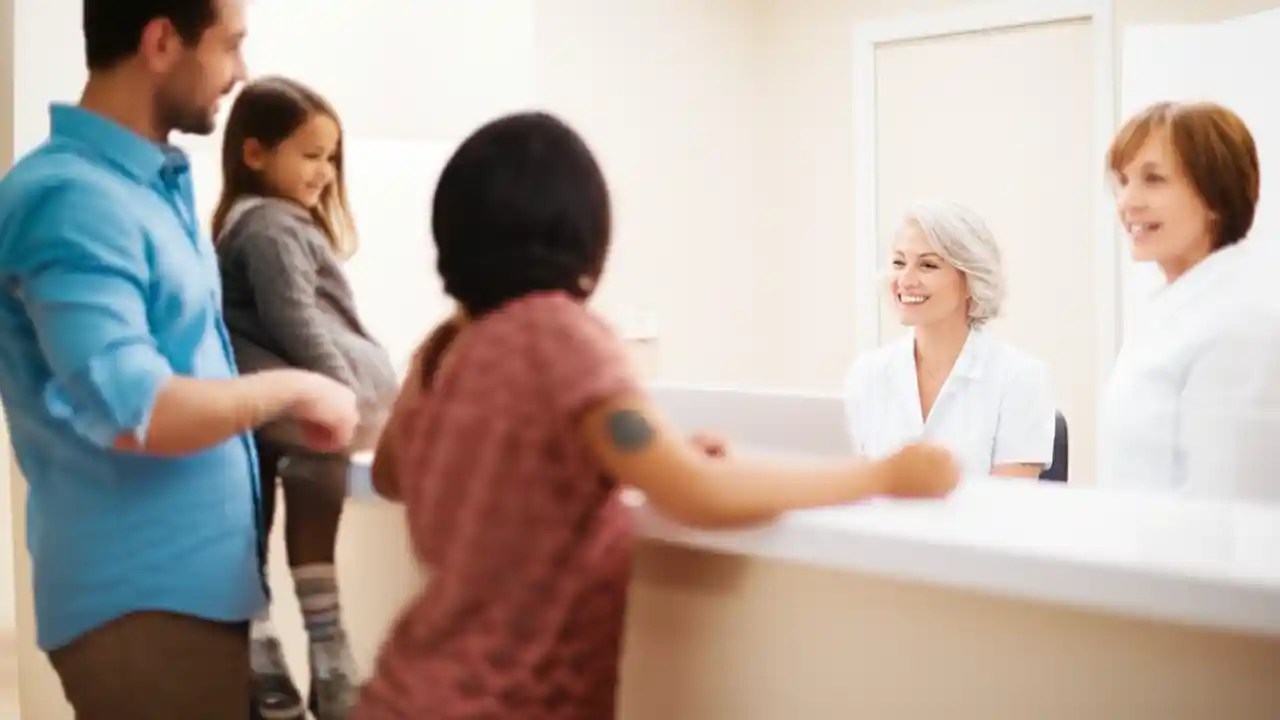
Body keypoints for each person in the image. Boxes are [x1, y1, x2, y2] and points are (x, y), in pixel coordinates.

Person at [350, 112, 960, 720]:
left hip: (402, 693)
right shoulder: (560, 336)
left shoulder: (444, 347)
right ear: (583, 232)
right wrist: (885, 476)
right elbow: (698, 495)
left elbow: (395, 474)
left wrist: (637, 456)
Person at [0, 2, 359, 717]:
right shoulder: (75, 199)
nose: (241, 74)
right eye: (230, 48)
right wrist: (294, 389)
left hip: (184, 597)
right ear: (162, 40)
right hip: (142, 605)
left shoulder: (141, 191)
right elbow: (141, 410)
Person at [213, 76, 398, 720]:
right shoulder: (270, 228)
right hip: (318, 404)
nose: (324, 172)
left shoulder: (254, 223)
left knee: (253, 508)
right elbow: (297, 320)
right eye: (310, 155)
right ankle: (327, 657)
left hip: (277, 413)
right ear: (255, 153)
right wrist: (340, 392)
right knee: (303, 473)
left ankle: (269, 652)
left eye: (331, 157)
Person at [1099, 101, 1280, 499]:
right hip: (1139, 550)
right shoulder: (1172, 305)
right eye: (1123, 181)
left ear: (1215, 196)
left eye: (1154, 179)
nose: (1128, 202)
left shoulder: (1243, 321)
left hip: (1192, 557)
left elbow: (1227, 505)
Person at [843, 201, 1056, 479]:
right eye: (899, 262)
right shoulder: (867, 374)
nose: (905, 280)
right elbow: (849, 493)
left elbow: (1010, 510)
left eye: (927, 265)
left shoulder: (1020, 378)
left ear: (971, 279)